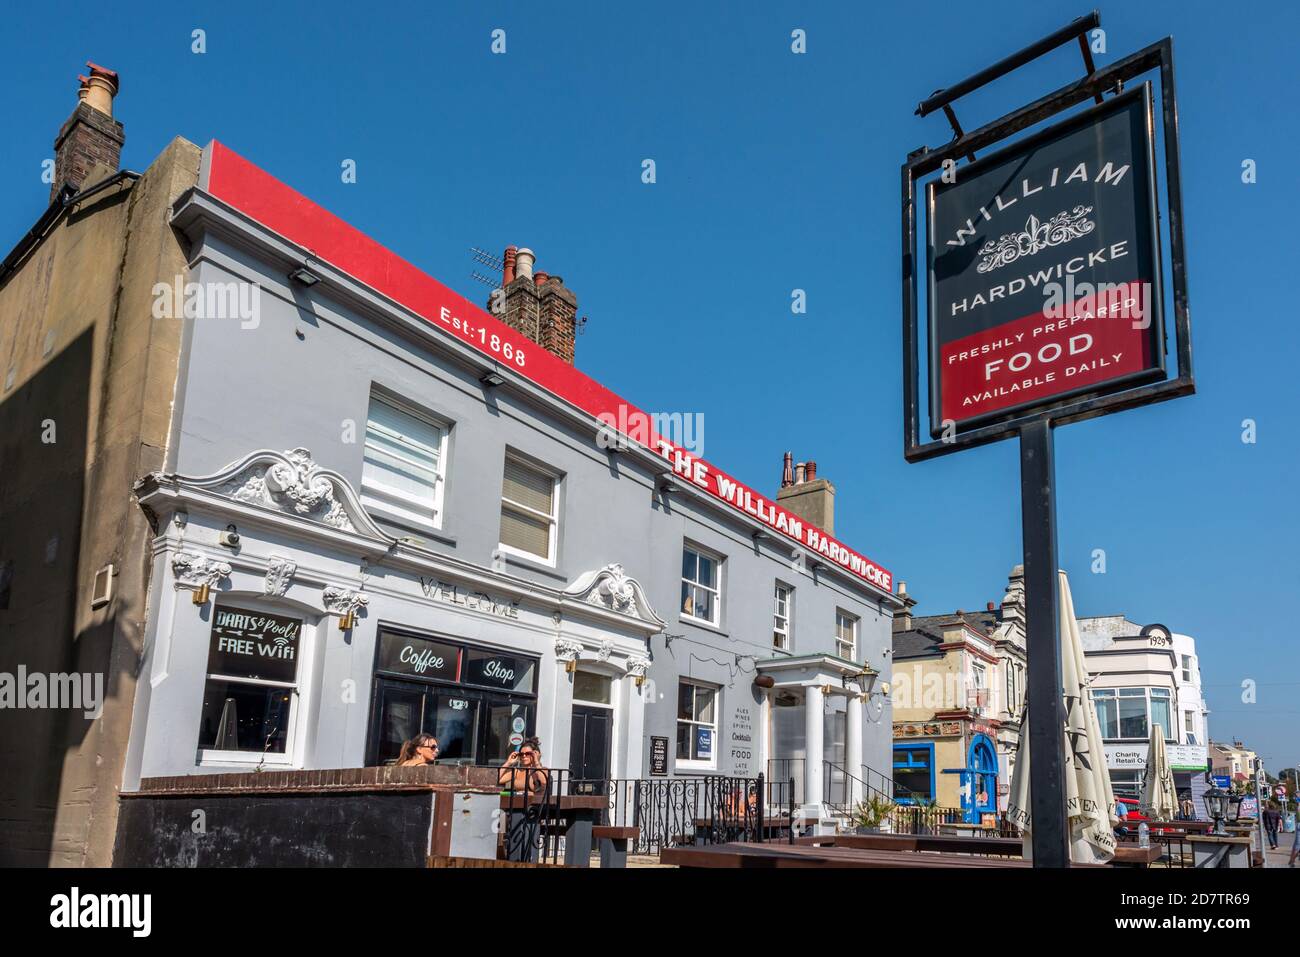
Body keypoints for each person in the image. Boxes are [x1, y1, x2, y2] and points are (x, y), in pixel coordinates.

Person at [498, 737, 550, 863]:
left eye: (528, 754)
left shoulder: (540, 771)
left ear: (535, 754)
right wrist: (508, 762)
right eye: (522, 754)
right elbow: (497, 779)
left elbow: (544, 782)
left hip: (531, 811)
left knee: (522, 837)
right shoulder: (516, 771)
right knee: (498, 818)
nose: (524, 756)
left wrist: (536, 762)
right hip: (513, 809)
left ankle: (519, 858)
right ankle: (501, 851)